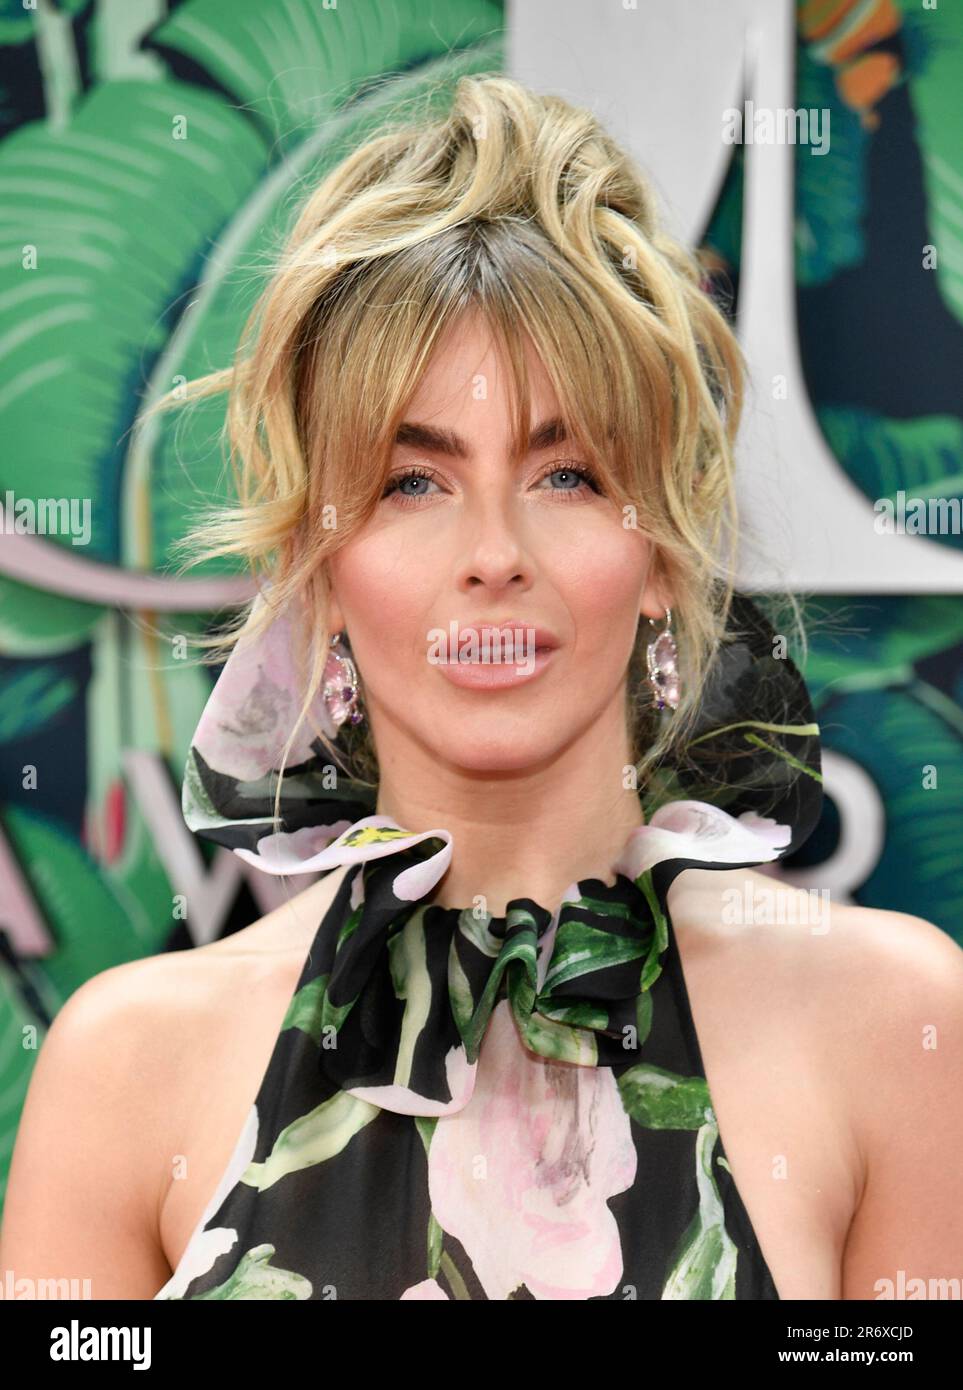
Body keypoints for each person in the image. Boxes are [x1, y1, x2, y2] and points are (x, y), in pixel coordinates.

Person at [2, 74, 961, 1302]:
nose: (493, 551)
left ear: (663, 553)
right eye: (414, 482)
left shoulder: (895, 1027)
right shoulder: (124, 1066)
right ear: (320, 571)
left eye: (565, 474)